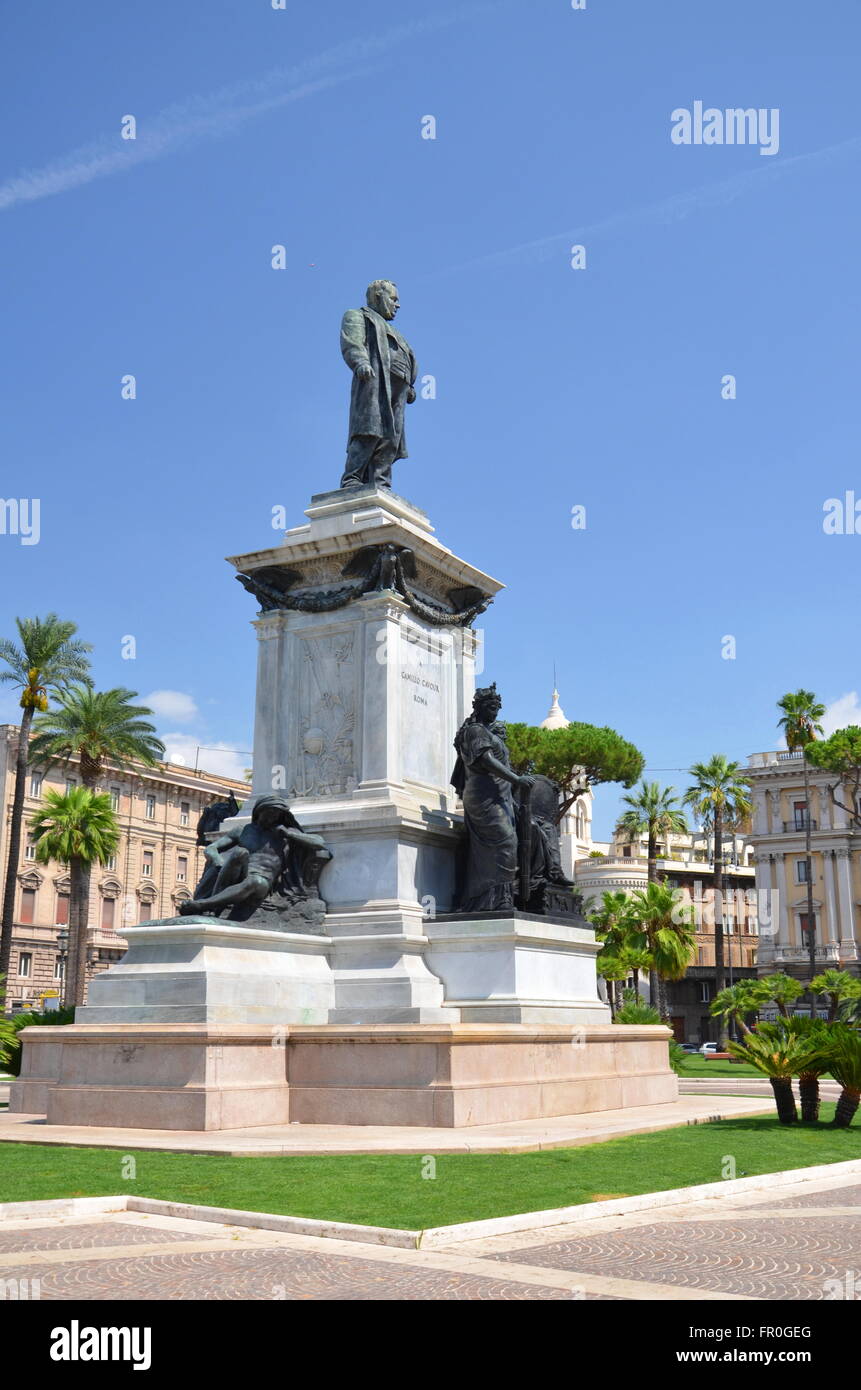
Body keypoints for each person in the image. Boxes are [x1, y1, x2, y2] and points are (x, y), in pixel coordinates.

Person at [180, 795, 330, 921]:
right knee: (240, 853)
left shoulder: (285, 833)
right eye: (270, 813)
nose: (273, 817)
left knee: (255, 881)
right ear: (259, 812)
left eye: (277, 814)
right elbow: (211, 848)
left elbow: (320, 842)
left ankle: (204, 905)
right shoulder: (243, 831)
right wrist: (217, 859)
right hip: (240, 875)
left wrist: (289, 834)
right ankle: (214, 905)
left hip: (263, 882)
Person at [451, 684, 533, 911]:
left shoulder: (491, 733)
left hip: (500, 797)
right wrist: (516, 779)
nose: (495, 711)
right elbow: (485, 760)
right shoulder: (475, 731)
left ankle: (498, 898)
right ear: (479, 707)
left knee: (507, 843)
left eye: (497, 707)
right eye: (490, 706)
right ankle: (491, 899)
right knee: (506, 841)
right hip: (483, 797)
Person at [339, 279, 417, 490]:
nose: (397, 305)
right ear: (378, 296)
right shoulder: (357, 316)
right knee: (370, 429)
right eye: (393, 299)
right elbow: (352, 343)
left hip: (399, 389)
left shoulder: (396, 333)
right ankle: (352, 478)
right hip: (375, 379)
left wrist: (409, 386)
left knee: (392, 436)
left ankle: (381, 482)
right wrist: (361, 362)